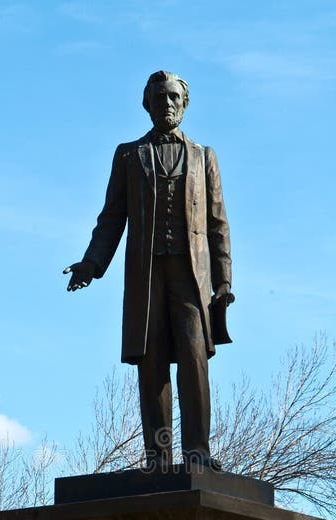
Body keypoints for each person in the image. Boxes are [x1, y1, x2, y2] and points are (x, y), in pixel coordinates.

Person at [64, 70, 233, 470]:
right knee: (151, 362)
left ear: (185, 104)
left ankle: (197, 454)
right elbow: (112, 217)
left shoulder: (204, 156)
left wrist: (224, 281)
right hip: (146, 276)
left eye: (174, 97)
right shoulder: (128, 155)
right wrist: (92, 263)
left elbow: (218, 223)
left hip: (191, 277)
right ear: (147, 104)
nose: (167, 104)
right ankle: (158, 456)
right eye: (159, 99)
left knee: (194, 362)